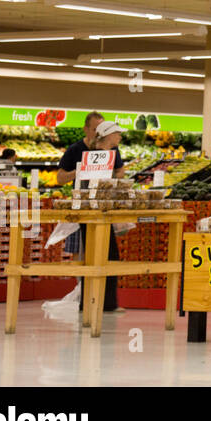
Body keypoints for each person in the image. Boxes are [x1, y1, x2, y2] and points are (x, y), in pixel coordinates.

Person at [58, 116, 126, 313]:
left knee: (105, 255)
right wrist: (80, 171)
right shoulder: (93, 155)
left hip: (103, 210)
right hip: (91, 211)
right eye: (117, 133)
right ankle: (93, 302)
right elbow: (65, 177)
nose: (120, 136)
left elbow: (116, 174)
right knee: (97, 255)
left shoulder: (111, 153)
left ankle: (103, 302)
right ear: (108, 136)